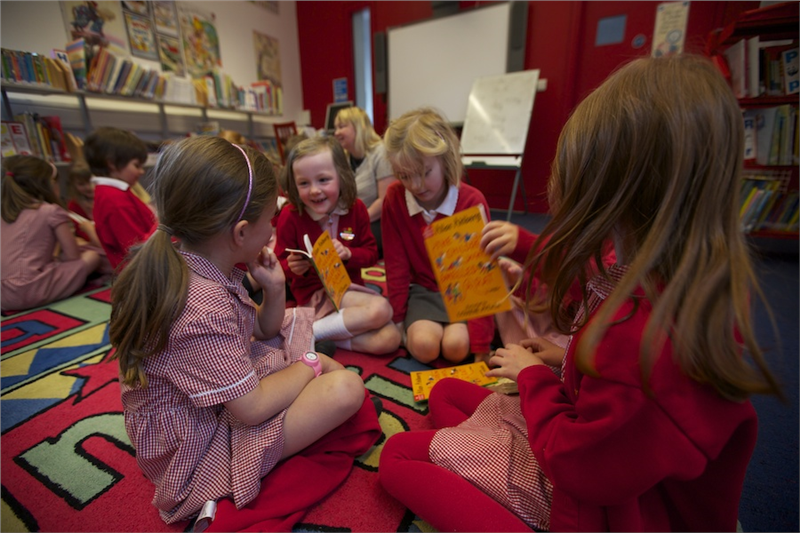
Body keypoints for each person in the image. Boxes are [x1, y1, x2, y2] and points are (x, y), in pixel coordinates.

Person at [378, 54, 784, 532]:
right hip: (597, 451)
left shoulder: (640, 332)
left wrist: (533, 377)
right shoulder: (674, 276)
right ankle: (479, 450)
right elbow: (594, 315)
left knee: (398, 457)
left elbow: (578, 465)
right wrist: (556, 357)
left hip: (592, 506)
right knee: (446, 391)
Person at [109, 136, 375, 525]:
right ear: (242, 232)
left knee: (316, 365)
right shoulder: (200, 305)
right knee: (345, 387)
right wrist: (311, 364)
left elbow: (260, 331)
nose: (273, 231)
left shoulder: (200, 263)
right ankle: (234, 476)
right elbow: (251, 410)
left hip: (217, 400)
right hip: (198, 444)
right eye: (271, 220)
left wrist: (275, 288)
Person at [381, 107, 494, 364]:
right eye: (404, 176)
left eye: (425, 173)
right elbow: (395, 265)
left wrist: (482, 347)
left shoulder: (471, 201)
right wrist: (398, 321)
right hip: (423, 291)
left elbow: (482, 277)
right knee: (424, 347)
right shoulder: (394, 198)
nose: (416, 186)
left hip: (466, 293)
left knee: (457, 348)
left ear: (445, 159)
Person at [274, 136, 400, 355]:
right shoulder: (290, 215)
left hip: (348, 290)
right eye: (304, 183)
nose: (314, 190)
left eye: (323, 180)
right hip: (313, 296)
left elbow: (371, 253)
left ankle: (312, 333)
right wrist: (292, 268)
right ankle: (311, 331)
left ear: (341, 176)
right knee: (381, 309)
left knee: (391, 339)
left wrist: (349, 253)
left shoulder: (356, 208)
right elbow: (279, 265)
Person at [1, 155, 105, 311]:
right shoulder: (51, 211)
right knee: (92, 256)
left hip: (2, 292)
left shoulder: (4, 211)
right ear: (47, 185)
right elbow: (72, 256)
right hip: (25, 291)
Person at [83, 126, 156, 269]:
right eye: (136, 165)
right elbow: (136, 249)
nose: (141, 171)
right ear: (111, 163)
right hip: (142, 274)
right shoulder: (115, 200)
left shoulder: (112, 193)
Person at [333, 106, 397, 256]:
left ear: (359, 127)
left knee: (345, 240)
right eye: (336, 128)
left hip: (376, 221)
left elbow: (385, 201)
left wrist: (357, 221)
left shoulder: (381, 153)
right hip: (352, 221)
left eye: (342, 127)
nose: (336, 133)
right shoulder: (344, 157)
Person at [65, 162, 103, 249]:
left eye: (91, 182)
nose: (89, 187)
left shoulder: (108, 200)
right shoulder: (74, 206)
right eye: (81, 184)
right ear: (74, 185)